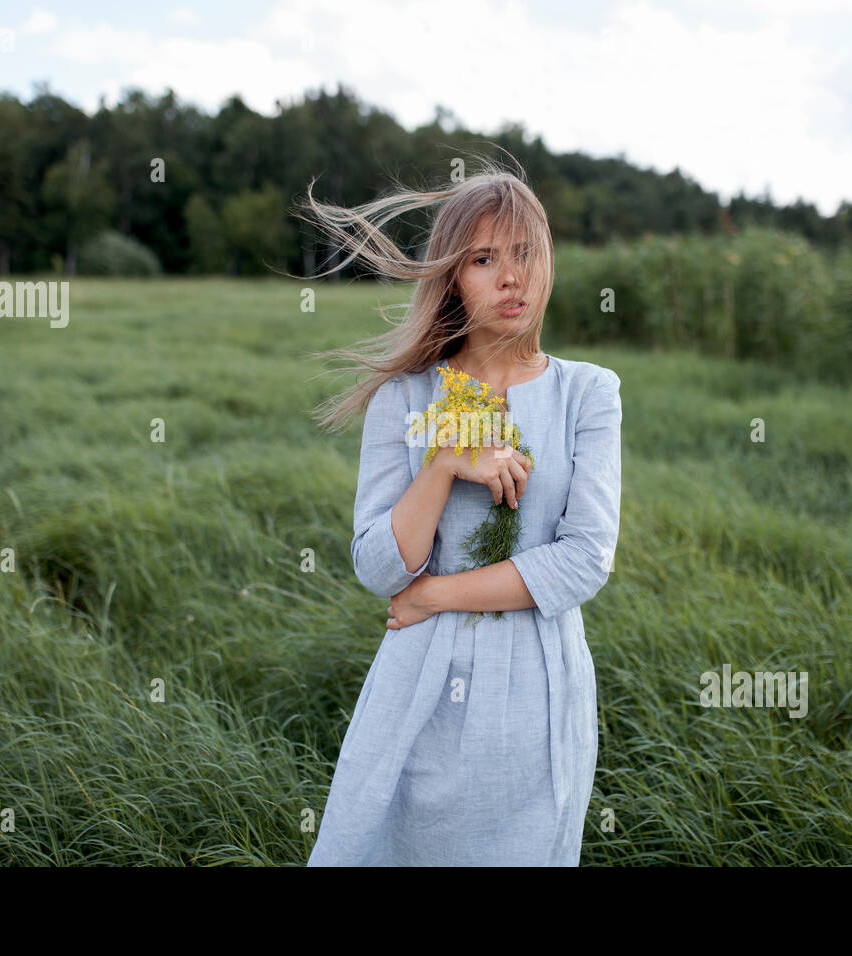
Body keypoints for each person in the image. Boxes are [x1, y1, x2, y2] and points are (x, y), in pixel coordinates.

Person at [298, 155, 623, 865]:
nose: (512, 277)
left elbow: (583, 561)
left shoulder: (589, 394)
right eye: (483, 258)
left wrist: (434, 595)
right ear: (452, 277)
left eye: (525, 253)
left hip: (539, 690)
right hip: (418, 684)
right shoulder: (406, 399)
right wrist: (445, 462)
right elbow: (381, 567)